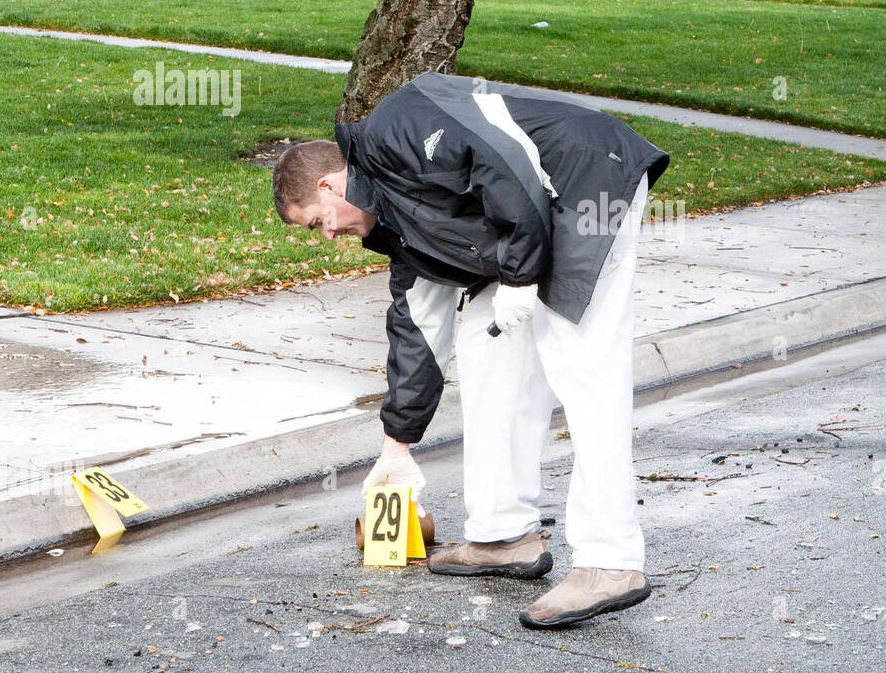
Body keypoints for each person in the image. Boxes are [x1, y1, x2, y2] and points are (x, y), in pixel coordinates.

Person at [272, 71, 669, 628]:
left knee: (581, 366)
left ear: (328, 188)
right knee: (486, 355)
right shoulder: (400, 228)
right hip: (524, 230)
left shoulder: (400, 121)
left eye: (319, 224)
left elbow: (505, 161)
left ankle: (611, 560)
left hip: (585, 180)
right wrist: (396, 449)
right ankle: (502, 534)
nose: (329, 237)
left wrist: (521, 278)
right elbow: (416, 333)